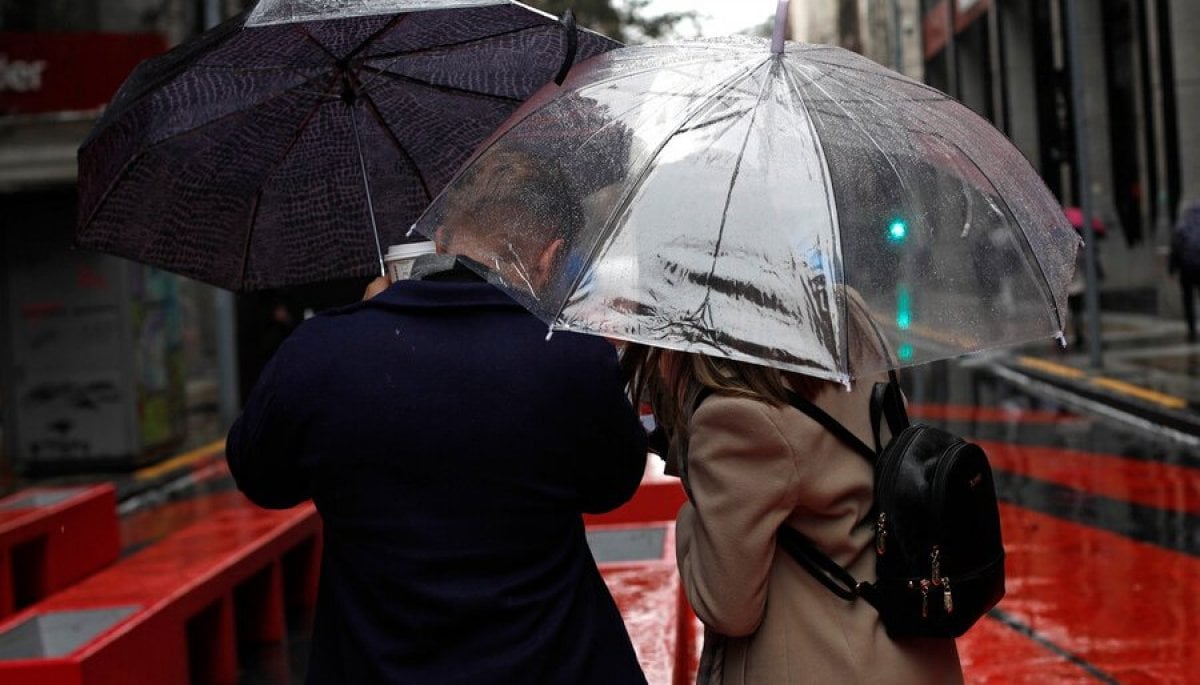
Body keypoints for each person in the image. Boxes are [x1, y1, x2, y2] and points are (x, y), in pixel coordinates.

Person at [226, 150, 650, 684]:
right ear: (549, 257)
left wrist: (360, 318)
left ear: (442, 240)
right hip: (553, 664)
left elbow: (261, 478)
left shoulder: (320, 352)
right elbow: (612, 486)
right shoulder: (571, 359)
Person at [622, 293, 963, 684]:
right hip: (913, 649)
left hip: (821, 663)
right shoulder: (845, 312)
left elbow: (727, 607)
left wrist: (691, 516)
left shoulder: (736, 414)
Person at [1169, 200, 1200, 342]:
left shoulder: (1181, 226)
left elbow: (1175, 249)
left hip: (1186, 269)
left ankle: (1192, 329)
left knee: (1188, 300)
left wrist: (1171, 269)